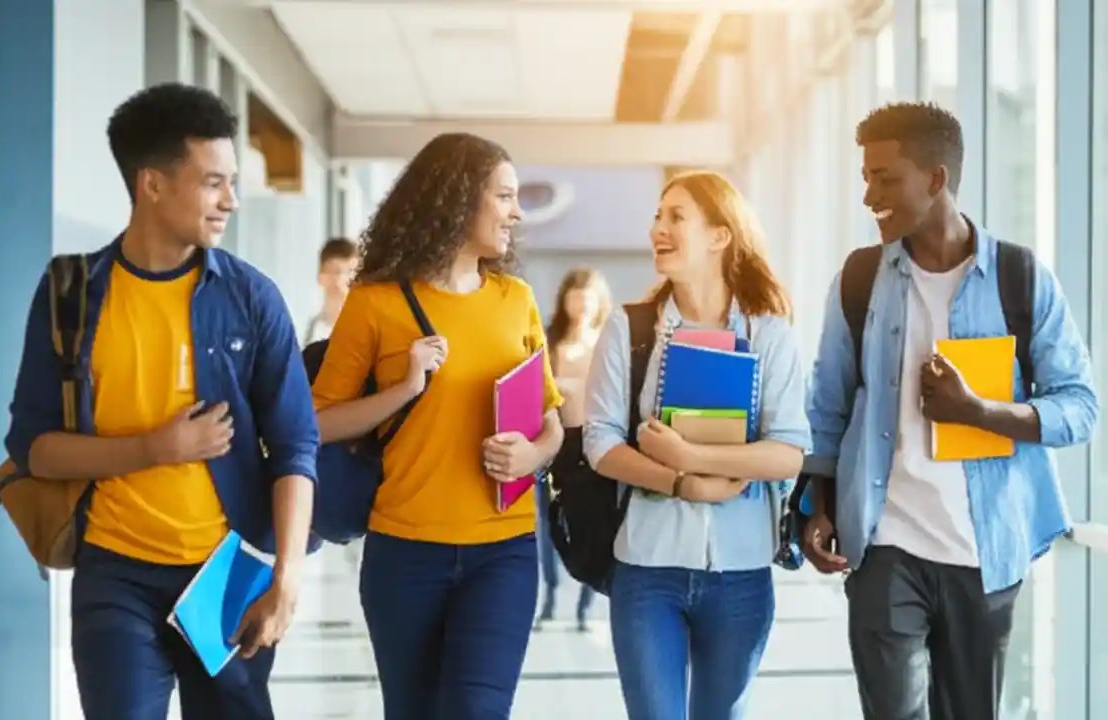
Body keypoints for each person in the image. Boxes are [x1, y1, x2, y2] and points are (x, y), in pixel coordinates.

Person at [4, 82, 317, 719]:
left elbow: (294, 445)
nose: (230, 200)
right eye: (212, 182)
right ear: (152, 184)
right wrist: (155, 449)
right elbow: (33, 448)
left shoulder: (251, 299)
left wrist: (287, 577)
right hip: (114, 575)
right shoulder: (74, 295)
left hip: (225, 574)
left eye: (232, 181)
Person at [801, 102, 1099, 719]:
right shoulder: (860, 279)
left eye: (886, 178)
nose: (869, 196)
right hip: (885, 546)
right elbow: (827, 405)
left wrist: (978, 411)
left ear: (936, 180)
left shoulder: (1020, 278)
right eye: (865, 178)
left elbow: (1080, 408)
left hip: (984, 555)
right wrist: (818, 507)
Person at [311, 132, 564, 720]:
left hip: (503, 550)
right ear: (458, 200)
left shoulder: (516, 300)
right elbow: (319, 422)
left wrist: (532, 456)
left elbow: (550, 424)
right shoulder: (375, 303)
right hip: (405, 552)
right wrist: (404, 389)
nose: (517, 212)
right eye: (503, 196)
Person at [582, 170, 811, 719]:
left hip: (741, 576)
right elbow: (599, 442)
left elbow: (788, 451)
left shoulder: (769, 333)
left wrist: (693, 459)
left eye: (675, 216)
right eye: (658, 217)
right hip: (646, 569)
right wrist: (679, 482)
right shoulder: (631, 329)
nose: (657, 228)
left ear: (719, 235)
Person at [535, 267, 612, 632]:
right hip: (552, 445)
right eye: (574, 295)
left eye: (587, 296)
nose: (580, 304)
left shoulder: (606, 345)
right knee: (546, 521)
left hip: (592, 447)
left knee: (593, 522)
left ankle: (585, 602)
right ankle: (549, 593)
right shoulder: (550, 344)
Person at [304, 237, 359, 344]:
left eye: (348, 272)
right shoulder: (315, 330)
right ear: (320, 276)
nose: (339, 280)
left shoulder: (367, 328)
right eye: (334, 271)